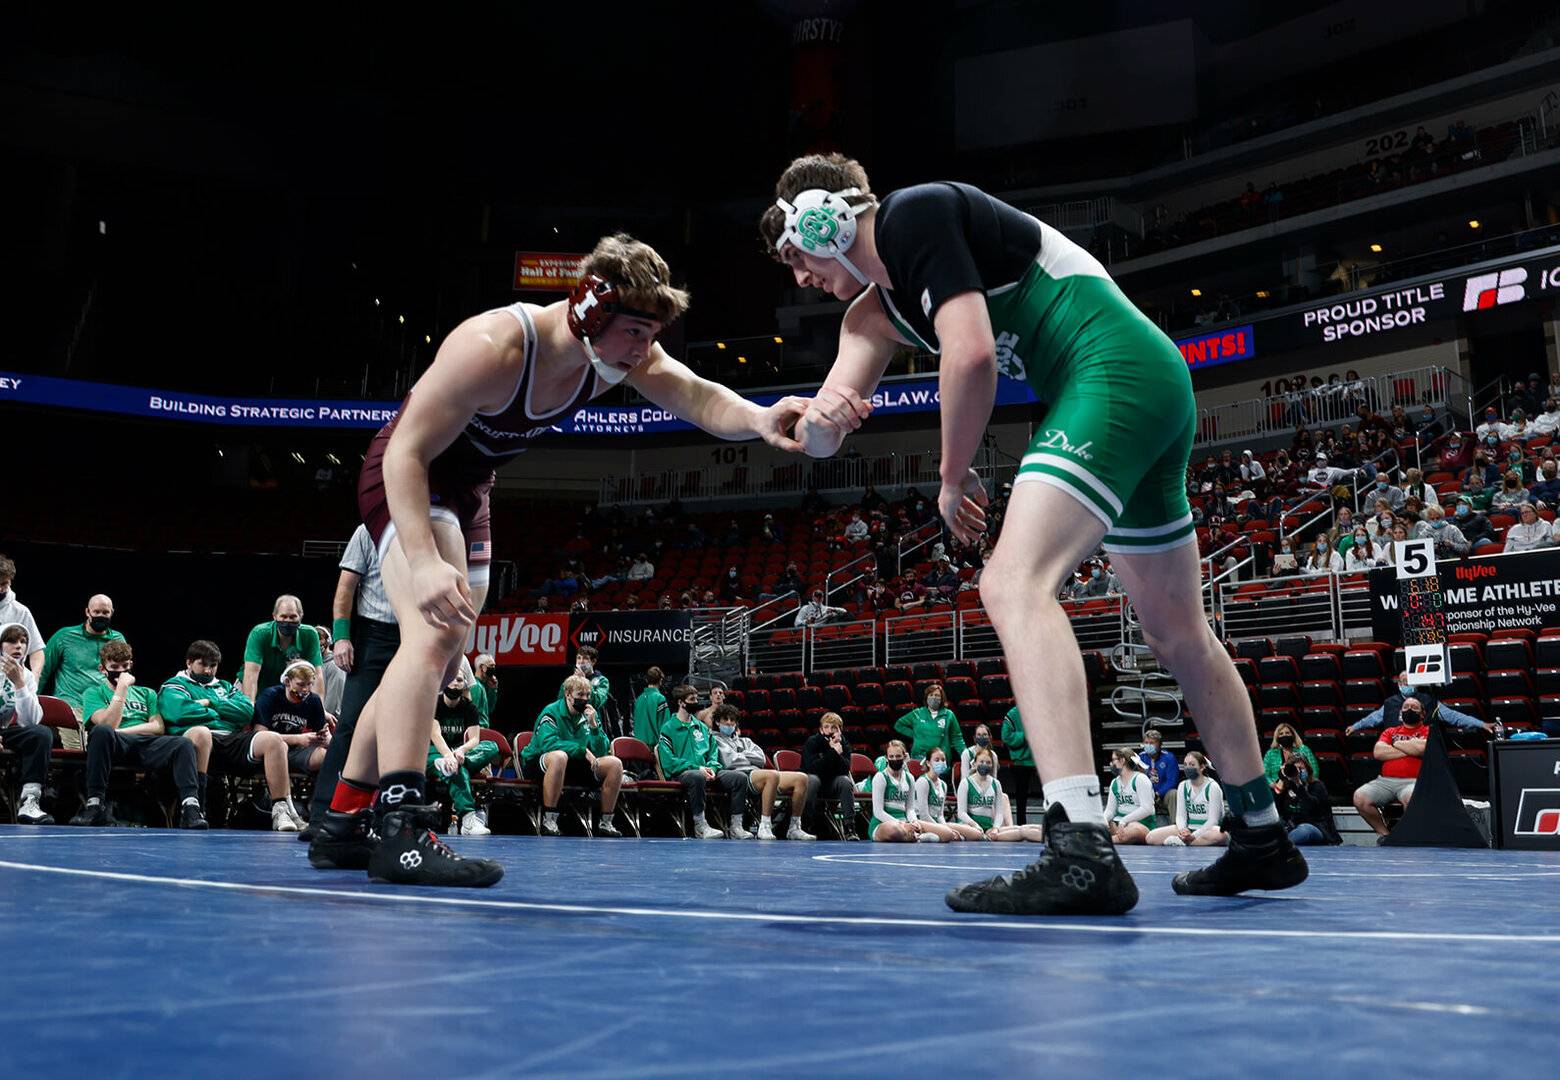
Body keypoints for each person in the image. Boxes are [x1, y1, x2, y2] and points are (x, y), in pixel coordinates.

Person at [765, 155, 1304, 912]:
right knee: (1177, 630)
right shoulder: (873, 311)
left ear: (820, 218)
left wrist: (952, 476)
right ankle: (1262, 835)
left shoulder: (915, 213)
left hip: (1111, 373)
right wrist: (818, 425)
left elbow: (974, 354)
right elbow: (831, 414)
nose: (799, 280)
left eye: (796, 257)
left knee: (1012, 584)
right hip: (1145, 382)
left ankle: (1079, 841)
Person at [319, 233, 808, 886]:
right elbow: (408, 449)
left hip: (469, 487)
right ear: (588, 313)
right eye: (635, 332)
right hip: (410, 470)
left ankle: (343, 821)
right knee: (433, 634)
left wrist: (759, 417)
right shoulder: (495, 346)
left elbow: (696, 396)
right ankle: (402, 827)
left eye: (650, 334)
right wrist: (421, 558)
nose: (643, 351)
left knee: (441, 650)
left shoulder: (620, 349)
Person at [305, 522, 400, 842]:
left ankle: (391, 821)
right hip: (374, 634)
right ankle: (322, 817)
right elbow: (346, 587)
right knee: (350, 723)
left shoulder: (436, 524)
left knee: (400, 730)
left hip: (415, 635)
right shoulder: (369, 530)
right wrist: (342, 637)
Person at [158, 640, 303, 832]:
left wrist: (211, 703)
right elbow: (179, 712)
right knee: (201, 732)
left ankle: (281, 810)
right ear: (189, 663)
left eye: (213, 666)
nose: (209, 671)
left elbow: (246, 712)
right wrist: (221, 713)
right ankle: (196, 808)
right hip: (196, 742)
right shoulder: (174, 685)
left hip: (230, 739)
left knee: (273, 740)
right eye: (203, 664)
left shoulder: (225, 686)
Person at [70, 639, 207, 829]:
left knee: (182, 744)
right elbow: (108, 723)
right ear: (103, 669)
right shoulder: (93, 693)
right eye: (114, 667)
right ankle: (95, 804)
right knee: (101, 732)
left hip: (144, 743)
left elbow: (157, 727)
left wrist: (121, 731)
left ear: (131, 666)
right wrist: (122, 689)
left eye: (125, 666)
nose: (121, 671)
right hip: (113, 745)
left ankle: (191, 807)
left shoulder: (146, 693)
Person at [521, 674, 625, 838]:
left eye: (587, 695)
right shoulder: (551, 712)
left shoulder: (590, 714)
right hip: (541, 762)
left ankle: (606, 823)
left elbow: (601, 751)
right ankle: (549, 820)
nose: (584, 699)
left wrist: (594, 728)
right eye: (580, 695)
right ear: (568, 694)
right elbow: (548, 744)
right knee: (559, 757)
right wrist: (581, 750)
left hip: (573, 766)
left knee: (615, 764)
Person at [709, 703, 815, 840]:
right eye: (725, 719)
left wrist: (741, 754)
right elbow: (730, 761)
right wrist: (748, 756)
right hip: (738, 775)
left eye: (732, 720)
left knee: (801, 778)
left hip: (757, 772)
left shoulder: (745, 740)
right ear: (718, 721)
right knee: (772, 774)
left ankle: (794, 827)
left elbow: (761, 759)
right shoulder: (714, 739)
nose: (729, 723)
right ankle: (765, 826)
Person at [429, 669, 501, 837]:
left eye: (460, 680)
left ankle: (456, 762)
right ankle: (468, 821)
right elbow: (435, 735)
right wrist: (448, 755)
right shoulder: (434, 704)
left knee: (492, 746)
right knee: (455, 768)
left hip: (459, 753)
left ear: (464, 685)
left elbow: (474, 739)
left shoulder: (469, 708)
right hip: (434, 750)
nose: (455, 683)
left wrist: (461, 751)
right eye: (451, 680)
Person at [1353, 695, 1429, 839]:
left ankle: (1408, 836)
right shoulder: (1390, 732)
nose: (1409, 709)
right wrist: (1409, 747)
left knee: (1412, 798)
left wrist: (1395, 744)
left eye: (1414, 707)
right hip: (1385, 782)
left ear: (1422, 714)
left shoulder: (1427, 731)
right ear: (1400, 713)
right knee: (1360, 797)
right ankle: (1386, 835)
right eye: (1406, 707)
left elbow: (1421, 749)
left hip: (1413, 781)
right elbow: (1378, 752)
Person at [655, 683, 725, 839]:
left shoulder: (702, 727)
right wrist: (697, 768)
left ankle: (736, 825)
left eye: (697, 698)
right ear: (681, 702)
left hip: (706, 770)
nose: (696, 702)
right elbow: (669, 762)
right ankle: (701, 826)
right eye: (692, 699)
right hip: (682, 773)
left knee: (737, 778)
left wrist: (712, 767)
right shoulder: (668, 728)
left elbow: (713, 751)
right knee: (696, 776)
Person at [0, 623, 54, 823]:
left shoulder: (27, 676)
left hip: (4, 732)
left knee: (41, 733)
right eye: (11, 641)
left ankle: (30, 802)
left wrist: (20, 684)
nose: (19, 647)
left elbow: (30, 721)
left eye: (23, 642)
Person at [39, 594, 125, 717]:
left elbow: (122, 676)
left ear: (112, 612)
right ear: (87, 612)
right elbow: (42, 670)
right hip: (71, 705)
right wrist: (30, 704)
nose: (101, 615)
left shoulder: (118, 639)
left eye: (105, 612)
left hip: (104, 707)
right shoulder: (64, 636)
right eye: (96, 612)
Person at [251, 660, 331, 780]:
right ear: (287, 681)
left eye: (310, 684)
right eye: (301, 684)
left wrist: (325, 738)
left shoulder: (313, 700)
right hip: (270, 752)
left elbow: (326, 736)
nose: (306, 689)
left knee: (328, 755)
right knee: (274, 747)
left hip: (296, 752)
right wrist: (297, 739)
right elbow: (258, 736)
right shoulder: (270, 696)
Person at [1347, 670, 1489, 736]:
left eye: (1408, 682)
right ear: (1398, 684)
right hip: (1396, 745)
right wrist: (1355, 726)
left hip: (1420, 744)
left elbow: (1454, 716)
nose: (1405, 684)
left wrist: (1481, 724)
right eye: (1402, 681)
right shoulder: (1390, 703)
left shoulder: (1428, 700)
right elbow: (1373, 719)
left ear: (1415, 683)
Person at [241, 595, 324, 703]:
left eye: (293, 617)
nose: (288, 621)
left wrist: (319, 709)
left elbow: (316, 675)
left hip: (287, 689)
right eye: (283, 616)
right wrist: (250, 706)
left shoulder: (310, 634)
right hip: (256, 685)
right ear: (274, 616)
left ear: (301, 616)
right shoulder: (259, 634)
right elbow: (251, 674)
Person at [958, 745, 1044, 841]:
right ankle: (1049, 838)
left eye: (988, 762)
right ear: (974, 764)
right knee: (1022, 833)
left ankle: (1048, 832)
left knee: (1020, 828)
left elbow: (999, 812)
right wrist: (974, 824)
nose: (984, 764)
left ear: (992, 765)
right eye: (981, 762)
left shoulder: (996, 783)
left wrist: (995, 828)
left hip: (988, 829)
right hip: (970, 827)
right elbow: (961, 813)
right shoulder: (966, 783)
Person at [1147, 752, 1225, 847]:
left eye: (1192, 765)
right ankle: (1191, 842)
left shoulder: (1213, 787)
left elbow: (1213, 821)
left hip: (1208, 830)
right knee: (1151, 837)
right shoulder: (1183, 785)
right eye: (1185, 765)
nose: (1188, 768)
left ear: (1202, 767)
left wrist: (1193, 836)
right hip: (1189, 829)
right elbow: (1180, 816)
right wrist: (1183, 830)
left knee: (1220, 835)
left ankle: (1183, 842)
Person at [801, 711, 857, 838]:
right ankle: (805, 824)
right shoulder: (812, 742)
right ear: (821, 729)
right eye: (826, 727)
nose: (829, 730)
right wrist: (832, 752)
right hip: (814, 783)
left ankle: (850, 828)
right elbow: (812, 768)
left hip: (832, 784)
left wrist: (838, 752)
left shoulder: (844, 744)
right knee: (813, 780)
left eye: (834, 727)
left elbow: (845, 769)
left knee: (845, 781)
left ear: (840, 730)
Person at [868, 740, 930, 842]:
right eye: (891, 757)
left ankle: (913, 835)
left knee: (946, 834)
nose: (894, 759)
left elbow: (910, 809)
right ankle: (916, 837)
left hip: (905, 822)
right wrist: (902, 824)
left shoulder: (910, 778)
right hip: (883, 824)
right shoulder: (881, 777)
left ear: (904, 757)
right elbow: (878, 812)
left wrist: (914, 821)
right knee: (894, 830)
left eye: (898, 756)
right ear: (886, 758)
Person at [1276, 754, 1339, 846]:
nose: (1298, 772)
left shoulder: (1317, 786)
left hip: (1316, 827)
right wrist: (1282, 778)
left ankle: (1279, 847)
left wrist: (1298, 784)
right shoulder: (1288, 786)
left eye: (1301, 769)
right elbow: (1276, 810)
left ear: (1308, 769)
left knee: (1305, 830)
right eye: (1295, 770)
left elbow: (1310, 807)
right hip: (1291, 827)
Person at [894, 682, 966, 763]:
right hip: (918, 758)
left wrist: (966, 756)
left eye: (937, 695)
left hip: (940, 759)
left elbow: (957, 738)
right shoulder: (917, 713)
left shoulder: (949, 715)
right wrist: (914, 734)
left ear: (942, 698)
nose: (933, 698)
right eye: (931, 695)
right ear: (926, 698)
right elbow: (898, 725)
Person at [0, 557, 46, 679]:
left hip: (10, 683)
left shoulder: (20, 612)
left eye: (4, 583)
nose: (0, 589)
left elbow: (36, 650)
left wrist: (34, 679)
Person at [912, 747, 966, 841]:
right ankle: (918, 836)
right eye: (937, 760)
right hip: (921, 822)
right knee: (941, 836)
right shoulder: (923, 782)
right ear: (928, 763)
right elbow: (923, 814)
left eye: (943, 760)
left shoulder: (943, 785)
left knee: (959, 835)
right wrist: (943, 829)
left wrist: (945, 827)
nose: (941, 762)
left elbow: (940, 815)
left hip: (935, 822)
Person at [1103, 749, 1154, 844]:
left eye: (1113, 760)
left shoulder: (1140, 779)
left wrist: (1124, 820)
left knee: (1133, 829)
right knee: (1099, 822)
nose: (1111, 764)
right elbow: (1110, 810)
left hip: (1140, 824)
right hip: (1119, 825)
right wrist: (1104, 820)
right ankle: (1113, 838)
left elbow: (1147, 809)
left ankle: (1104, 841)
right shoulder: (1115, 782)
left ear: (1122, 760)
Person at [999, 705, 1036, 825]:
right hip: (1022, 761)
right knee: (1021, 796)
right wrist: (1025, 735)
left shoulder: (1041, 710)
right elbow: (1006, 736)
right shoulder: (1013, 714)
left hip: (1042, 760)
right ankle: (1021, 824)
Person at [1134, 728, 1179, 819]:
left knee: (1174, 793)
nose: (1148, 745)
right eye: (1146, 743)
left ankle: (1176, 826)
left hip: (1163, 795)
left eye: (1152, 743)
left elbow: (1172, 781)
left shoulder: (1169, 757)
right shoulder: (1140, 758)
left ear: (1160, 744)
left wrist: (1158, 793)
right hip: (1146, 796)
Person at [1262, 723, 1320, 791]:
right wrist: (1273, 785)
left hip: (1302, 787)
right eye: (1281, 734)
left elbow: (1314, 771)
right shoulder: (1270, 753)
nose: (1284, 735)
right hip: (1279, 790)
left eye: (1287, 733)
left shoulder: (1304, 749)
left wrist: (1305, 783)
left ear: (1293, 735)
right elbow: (1265, 774)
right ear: (1277, 737)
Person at [560, 646, 610, 712]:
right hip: (570, 719)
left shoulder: (602, 681)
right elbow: (560, 701)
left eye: (585, 658)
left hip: (591, 719)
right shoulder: (570, 680)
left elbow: (596, 703)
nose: (581, 662)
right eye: (579, 658)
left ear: (593, 661)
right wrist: (573, 680)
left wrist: (584, 681)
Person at [313, 625, 347, 717]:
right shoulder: (313, 664)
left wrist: (322, 717)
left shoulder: (334, 665)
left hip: (328, 719)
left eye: (319, 639)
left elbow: (333, 698)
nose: (315, 643)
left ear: (328, 641)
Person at [631, 665, 670, 747]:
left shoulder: (639, 699)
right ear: (661, 680)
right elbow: (665, 727)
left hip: (638, 747)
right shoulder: (660, 698)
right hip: (654, 748)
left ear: (646, 679)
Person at [467, 653, 498, 727]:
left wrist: (493, 690)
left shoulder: (482, 686)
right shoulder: (475, 686)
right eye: (491, 666)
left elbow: (490, 709)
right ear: (482, 667)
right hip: (478, 730)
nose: (493, 669)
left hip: (483, 729)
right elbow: (472, 713)